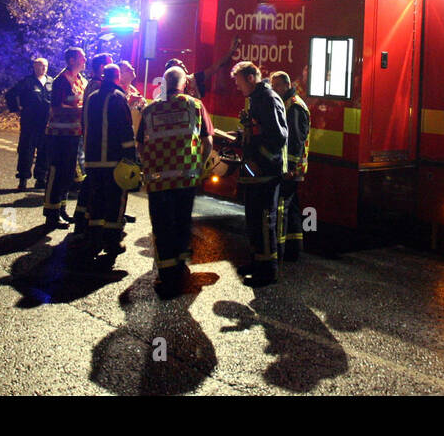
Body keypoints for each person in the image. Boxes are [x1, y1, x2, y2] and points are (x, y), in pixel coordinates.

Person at [138, 65, 214, 297]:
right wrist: (199, 165)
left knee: (162, 226)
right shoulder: (195, 105)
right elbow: (208, 140)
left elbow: (140, 143)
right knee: (182, 223)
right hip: (186, 178)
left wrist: (149, 164)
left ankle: (167, 275)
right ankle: (181, 268)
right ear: (184, 84)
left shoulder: (150, 110)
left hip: (158, 180)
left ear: (164, 84)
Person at [230, 60, 288, 285]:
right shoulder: (256, 99)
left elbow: (277, 137)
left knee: (264, 221)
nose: (237, 87)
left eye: (239, 82)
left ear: (251, 78)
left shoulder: (268, 99)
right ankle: (257, 261)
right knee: (253, 219)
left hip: (266, 171)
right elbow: (257, 131)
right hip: (255, 170)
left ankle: (268, 270)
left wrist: (258, 160)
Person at [75, 63, 137, 252]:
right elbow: (125, 130)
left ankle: (93, 238)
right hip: (113, 160)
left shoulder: (92, 98)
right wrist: (131, 158)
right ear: (117, 78)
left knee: (96, 199)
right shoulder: (118, 98)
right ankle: (112, 241)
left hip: (93, 159)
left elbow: (84, 125)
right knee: (115, 201)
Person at [42, 47, 87, 230]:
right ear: (71, 60)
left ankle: (61, 208)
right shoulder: (61, 81)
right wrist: (81, 111)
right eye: (81, 57)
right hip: (59, 135)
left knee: (68, 174)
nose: (85, 60)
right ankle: (51, 213)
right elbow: (56, 108)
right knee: (57, 173)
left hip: (74, 135)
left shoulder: (80, 80)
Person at [270, 71, 310, 261]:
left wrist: (290, 168)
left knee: (281, 208)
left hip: (291, 167)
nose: (273, 89)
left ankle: (279, 249)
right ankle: (295, 248)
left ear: (286, 85)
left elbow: (295, 140)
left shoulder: (293, 106)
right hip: (294, 166)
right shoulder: (291, 103)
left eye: (276, 85)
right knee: (292, 207)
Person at [5, 57, 51, 191]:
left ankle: (41, 178)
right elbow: (10, 94)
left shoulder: (51, 82)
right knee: (26, 150)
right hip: (30, 122)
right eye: (40, 66)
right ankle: (23, 179)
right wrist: (16, 109)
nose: (43, 69)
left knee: (44, 151)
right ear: (34, 67)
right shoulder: (27, 82)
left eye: (45, 66)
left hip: (46, 122)